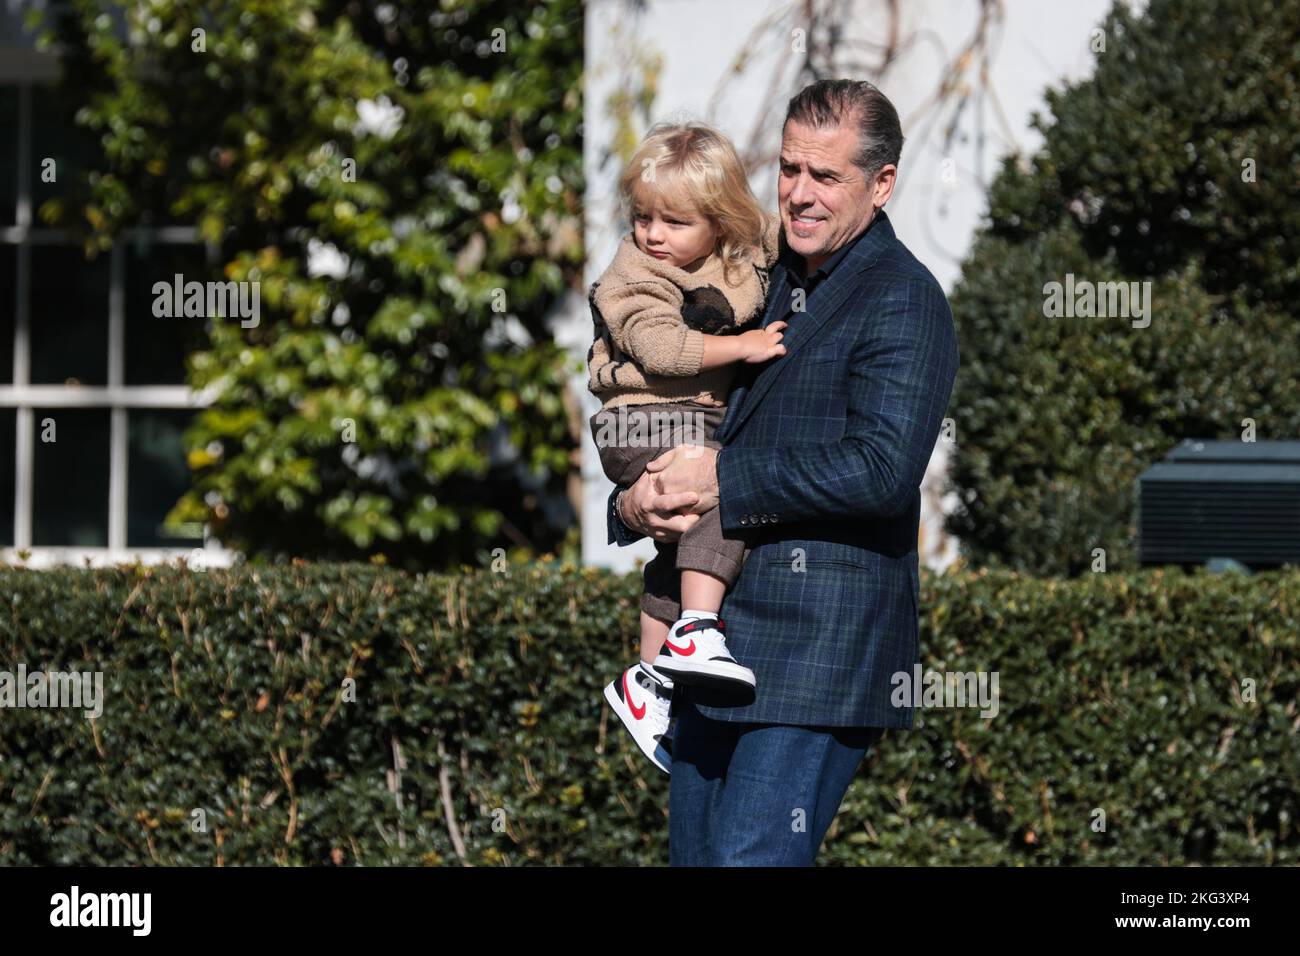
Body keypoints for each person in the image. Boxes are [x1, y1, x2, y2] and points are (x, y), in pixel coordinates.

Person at [607, 79, 960, 865]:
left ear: (883, 184)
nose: (798, 195)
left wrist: (723, 479)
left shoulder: (905, 300)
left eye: (824, 177)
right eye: (789, 170)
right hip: (713, 647)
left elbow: (880, 471)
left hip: (819, 654)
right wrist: (634, 502)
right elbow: (671, 399)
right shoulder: (755, 276)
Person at [587, 121, 783, 773]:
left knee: (681, 539)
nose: (652, 233)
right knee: (728, 482)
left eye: (673, 221)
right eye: (643, 216)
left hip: (683, 415)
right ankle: (698, 630)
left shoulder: (743, 248)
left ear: (722, 218)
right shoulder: (636, 271)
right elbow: (661, 349)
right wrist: (744, 347)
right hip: (637, 418)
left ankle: (648, 679)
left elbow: (782, 237)